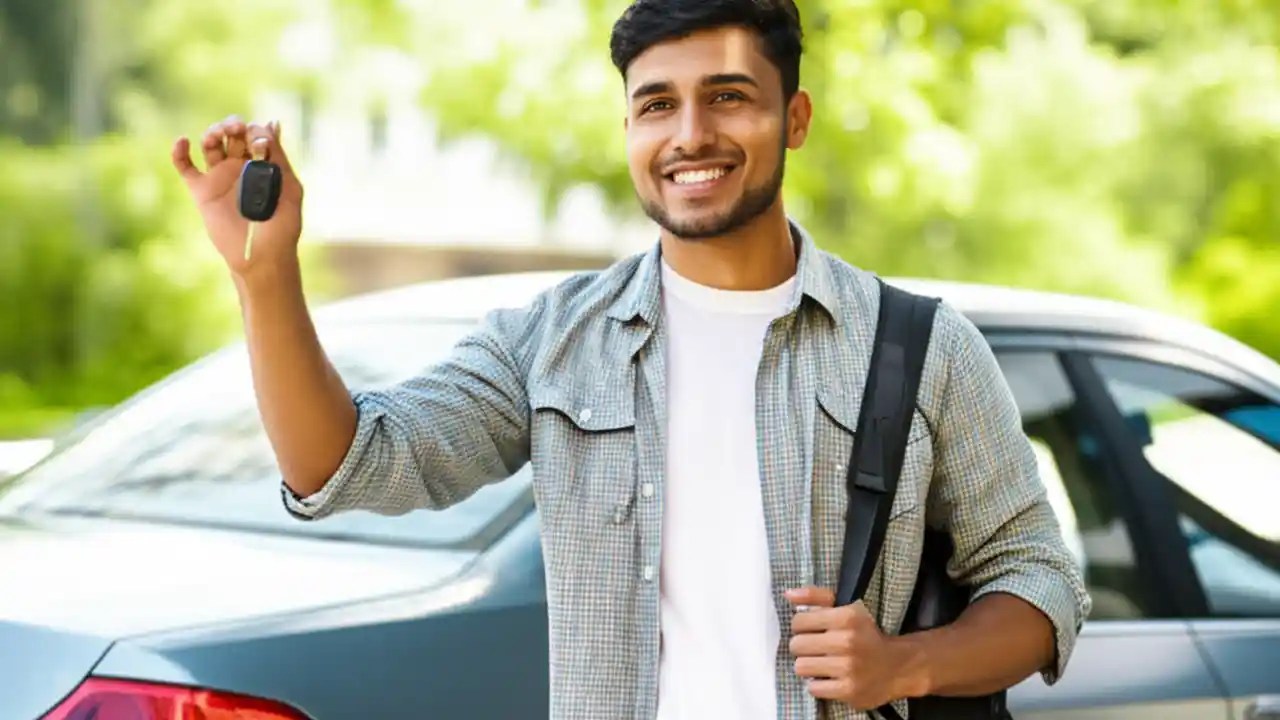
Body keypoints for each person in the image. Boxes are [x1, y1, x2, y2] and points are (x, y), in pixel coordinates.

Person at [171, 1, 1091, 718]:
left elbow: (1040, 580)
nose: (690, 133)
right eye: (657, 105)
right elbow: (344, 464)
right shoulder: (553, 342)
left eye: (728, 95)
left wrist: (905, 664)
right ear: (629, 132)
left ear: (795, 117)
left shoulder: (919, 345)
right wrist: (268, 277)